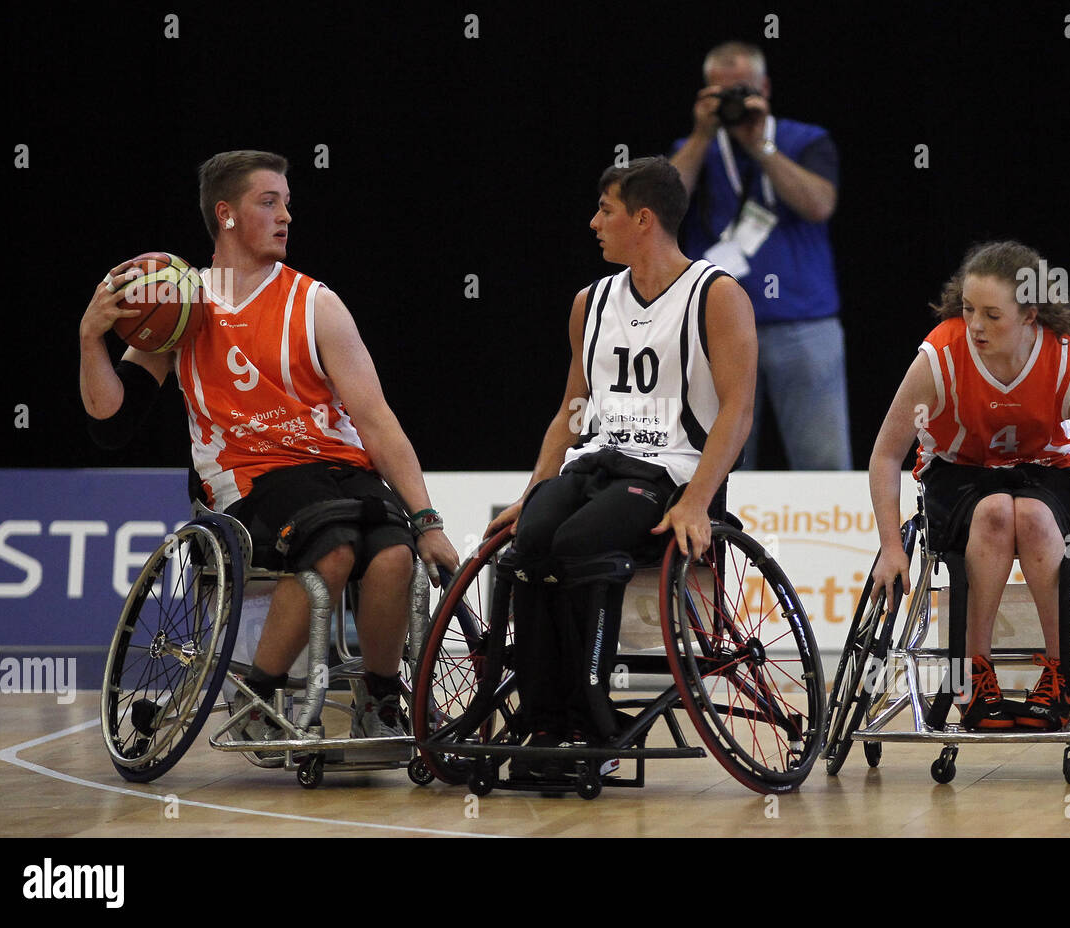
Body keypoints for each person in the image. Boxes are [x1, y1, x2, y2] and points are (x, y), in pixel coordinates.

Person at [79, 150, 458, 745]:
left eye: (287, 204)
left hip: (335, 466)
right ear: (225, 215)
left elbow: (377, 421)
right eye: (269, 202)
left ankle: (381, 698)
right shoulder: (181, 303)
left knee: (392, 555)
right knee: (331, 549)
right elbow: (110, 421)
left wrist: (426, 518)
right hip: (248, 479)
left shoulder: (317, 303)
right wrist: (90, 341)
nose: (286, 216)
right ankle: (256, 697)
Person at [484, 156, 756, 775]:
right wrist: (534, 489)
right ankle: (544, 719)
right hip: (597, 462)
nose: (593, 223)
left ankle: (591, 713)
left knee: (579, 543)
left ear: (643, 219)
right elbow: (571, 409)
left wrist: (695, 502)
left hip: (673, 472)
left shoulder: (716, 295)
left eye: (605, 210)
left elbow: (737, 412)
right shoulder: (592, 300)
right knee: (530, 541)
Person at [868, 240, 1070, 731]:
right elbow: (886, 454)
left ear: (1030, 314)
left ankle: (1061, 672)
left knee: (1033, 517)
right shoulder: (940, 357)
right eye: (970, 309)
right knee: (995, 511)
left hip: (1040, 472)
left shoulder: (1067, 362)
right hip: (957, 473)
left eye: (993, 315)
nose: (976, 325)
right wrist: (891, 547)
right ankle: (972, 674)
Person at [670, 41, 850, 470]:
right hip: (720, 327)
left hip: (804, 324)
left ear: (765, 87)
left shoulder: (804, 139)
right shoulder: (695, 147)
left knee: (823, 461)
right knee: (720, 464)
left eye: (742, 90)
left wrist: (760, 146)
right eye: (720, 93)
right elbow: (663, 207)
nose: (733, 102)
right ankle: (720, 539)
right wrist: (700, 136)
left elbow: (819, 205)